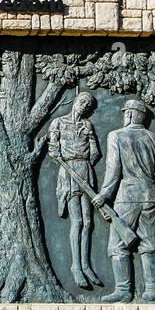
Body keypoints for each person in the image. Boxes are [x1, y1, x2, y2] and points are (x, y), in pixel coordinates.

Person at [96, 99, 155, 303]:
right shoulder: (153, 138)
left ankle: (123, 290)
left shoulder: (116, 136)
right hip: (149, 197)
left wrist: (104, 195)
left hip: (126, 198)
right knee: (150, 244)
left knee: (119, 246)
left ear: (129, 115)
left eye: (125, 113)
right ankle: (152, 290)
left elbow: (113, 171)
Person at [47, 91, 103, 289]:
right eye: (82, 102)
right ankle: (76, 267)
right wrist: (63, 154)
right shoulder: (58, 123)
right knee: (77, 220)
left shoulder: (87, 125)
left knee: (88, 222)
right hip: (68, 172)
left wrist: (85, 158)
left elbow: (95, 152)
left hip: (85, 171)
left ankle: (87, 265)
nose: (84, 106)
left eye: (88, 104)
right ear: (76, 101)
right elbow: (53, 150)